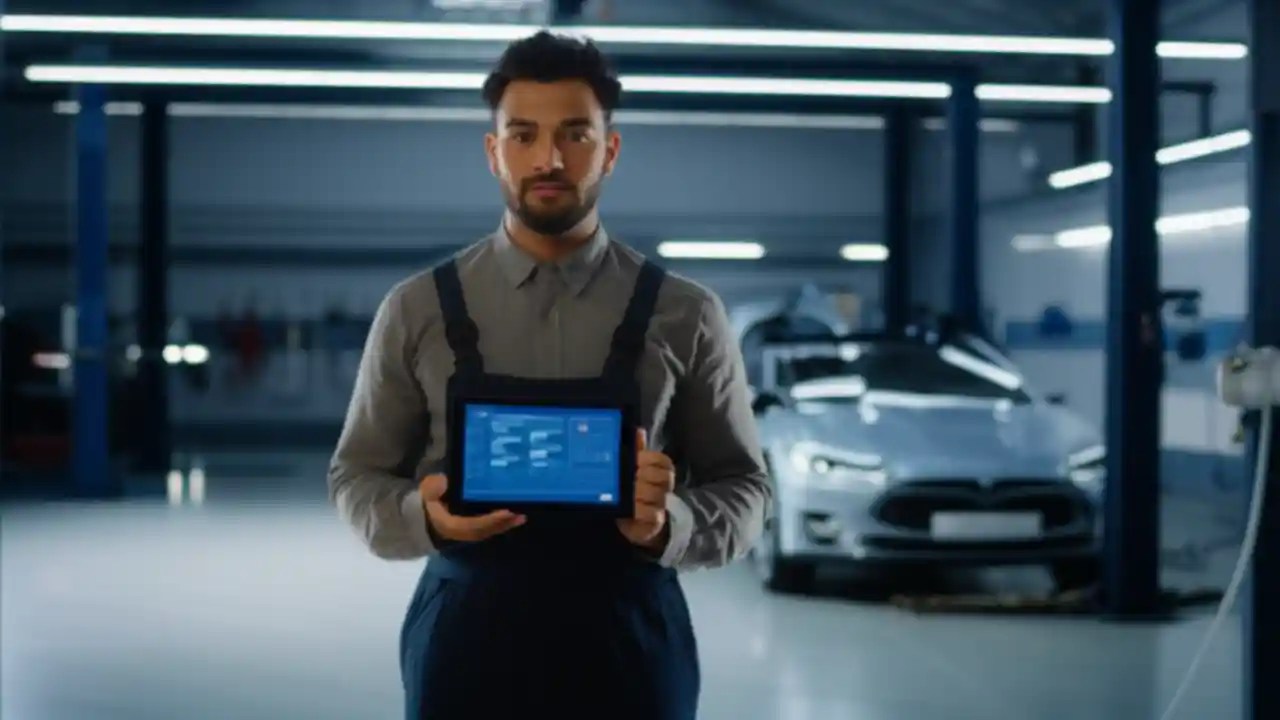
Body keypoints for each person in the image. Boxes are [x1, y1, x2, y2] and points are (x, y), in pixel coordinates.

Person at [328, 30, 771, 720]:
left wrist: (669, 523)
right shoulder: (417, 309)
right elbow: (355, 476)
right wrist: (428, 518)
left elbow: (747, 489)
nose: (550, 159)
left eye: (576, 134)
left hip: (631, 639)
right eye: (523, 135)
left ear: (611, 150)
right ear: (492, 151)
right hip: (466, 640)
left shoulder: (687, 312)